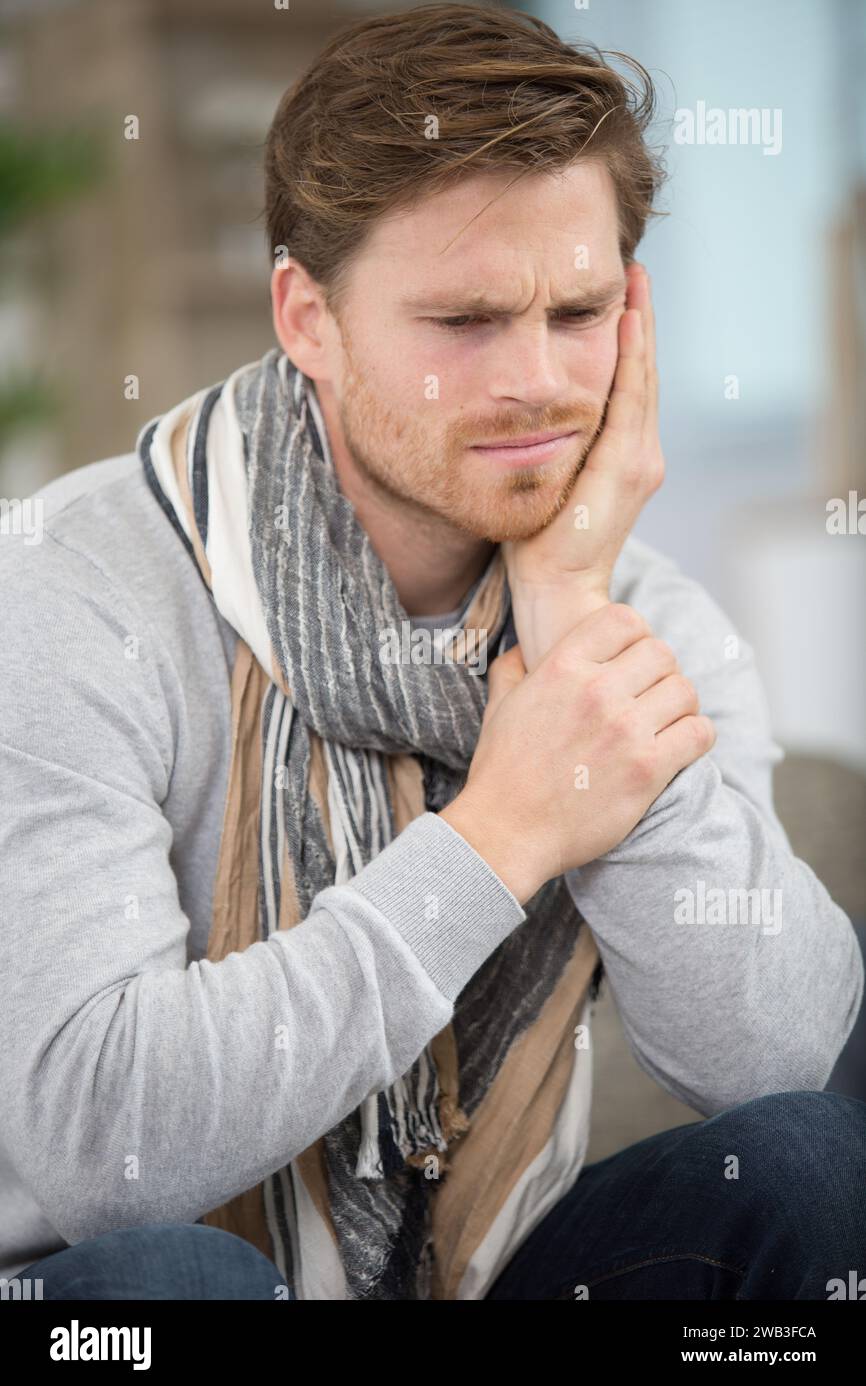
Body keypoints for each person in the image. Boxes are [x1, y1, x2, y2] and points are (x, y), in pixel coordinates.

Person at [2, 3, 863, 1302]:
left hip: (492, 1278)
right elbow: (100, 1150)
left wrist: (569, 612)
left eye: (576, 311)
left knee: (806, 1166)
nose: (535, 381)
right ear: (307, 316)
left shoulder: (635, 610)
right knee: (172, 1278)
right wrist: (497, 838)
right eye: (462, 322)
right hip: (127, 1288)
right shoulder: (72, 588)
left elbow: (779, 1064)